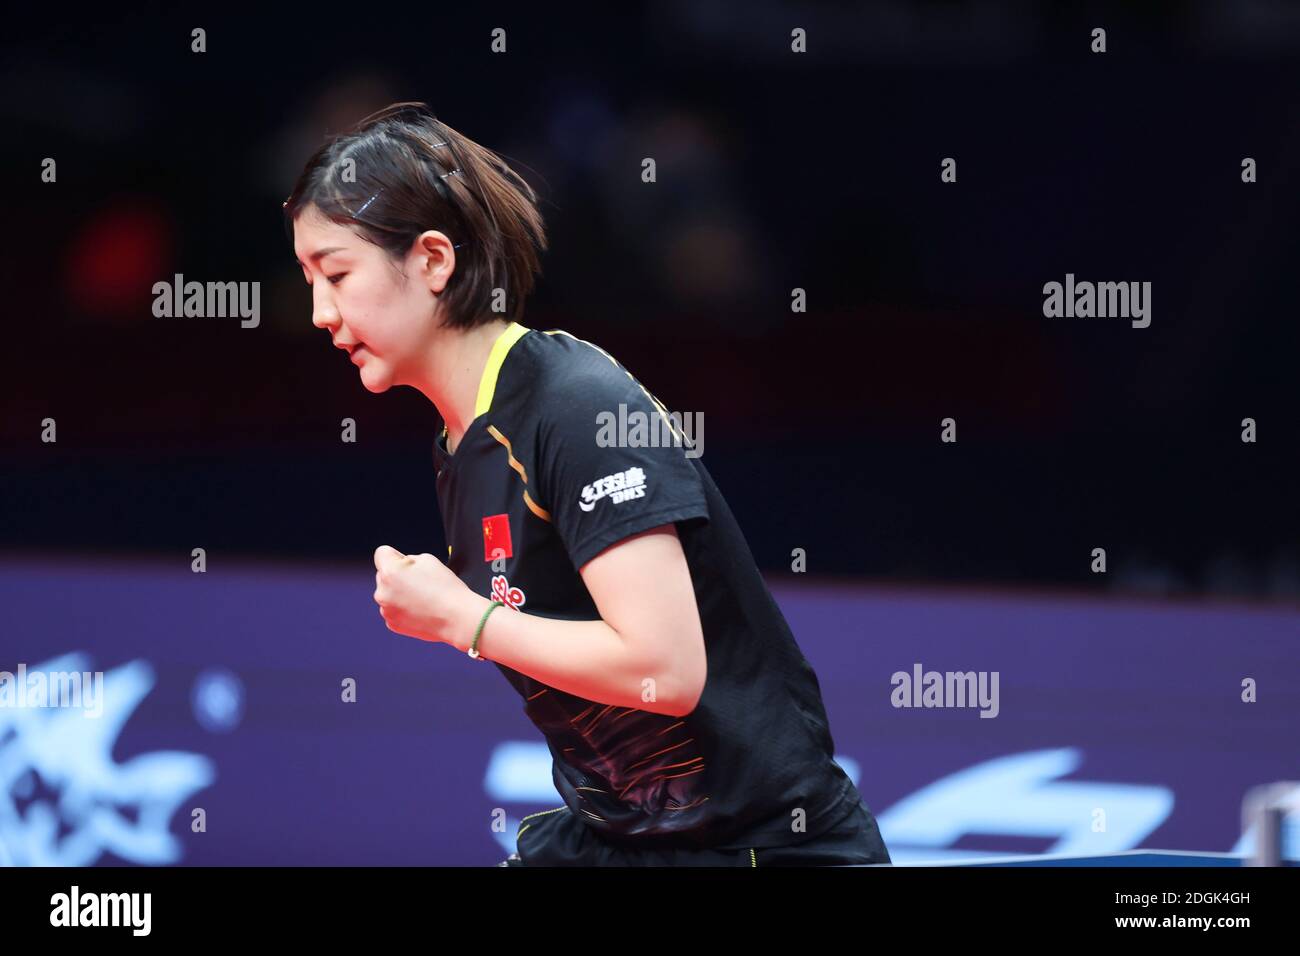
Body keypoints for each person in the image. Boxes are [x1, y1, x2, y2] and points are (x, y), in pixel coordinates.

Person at [284, 102, 891, 867]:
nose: (319, 312)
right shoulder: (461, 440)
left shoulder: (576, 405)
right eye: (309, 279)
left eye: (337, 274)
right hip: (626, 840)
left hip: (761, 845)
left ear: (433, 260)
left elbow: (662, 671)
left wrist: (461, 620)